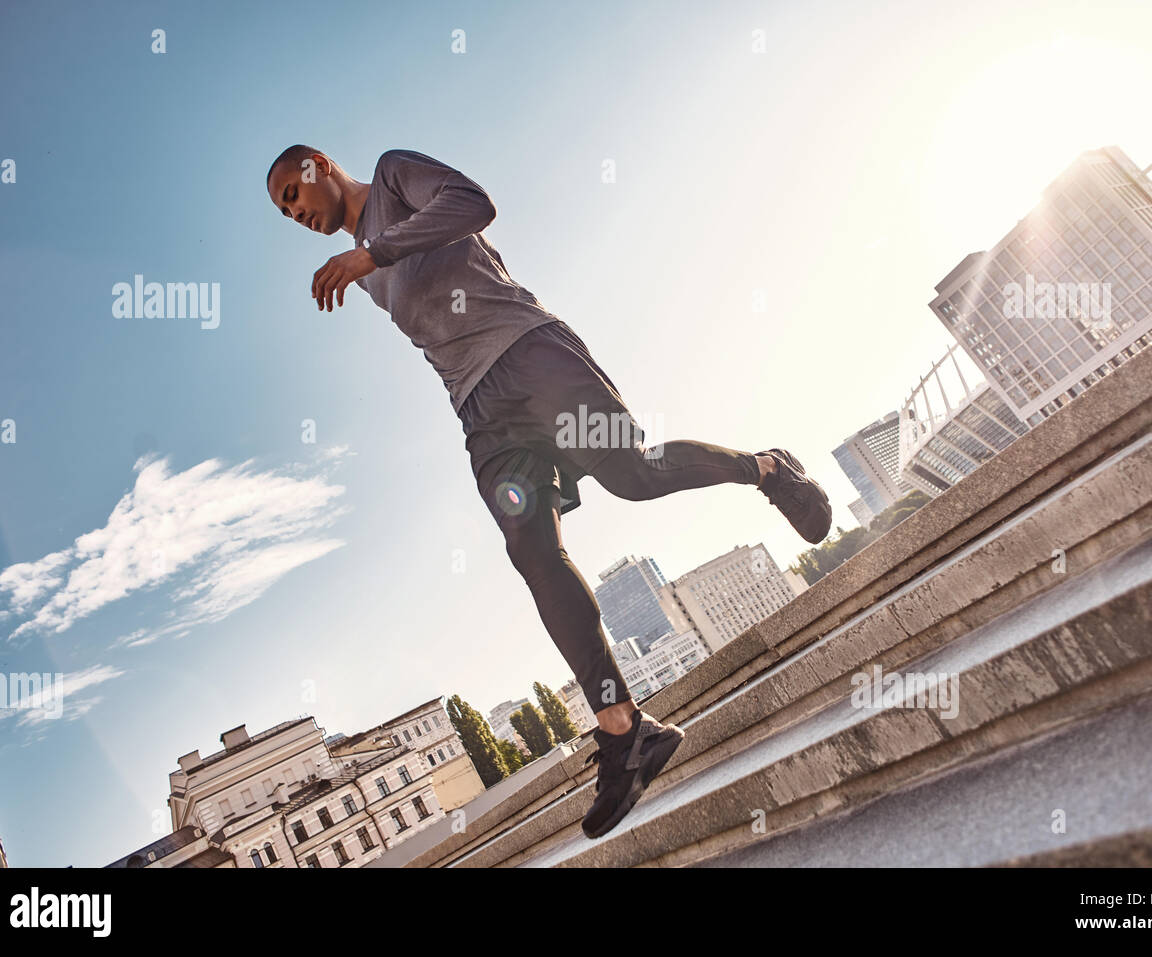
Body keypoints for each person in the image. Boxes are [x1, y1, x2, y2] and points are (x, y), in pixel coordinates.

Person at [265, 145, 832, 840]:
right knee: (532, 552)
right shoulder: (361, 265)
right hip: (481, 413)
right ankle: (625, 730)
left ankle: (768, 468)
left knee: (634, 472)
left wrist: (374, 254)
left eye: (294, 195)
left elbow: (475, 202)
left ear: (320, 166)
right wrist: (372, 265)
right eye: (285, 213)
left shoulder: (390, 178)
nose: (296, 215)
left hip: (532, 355)